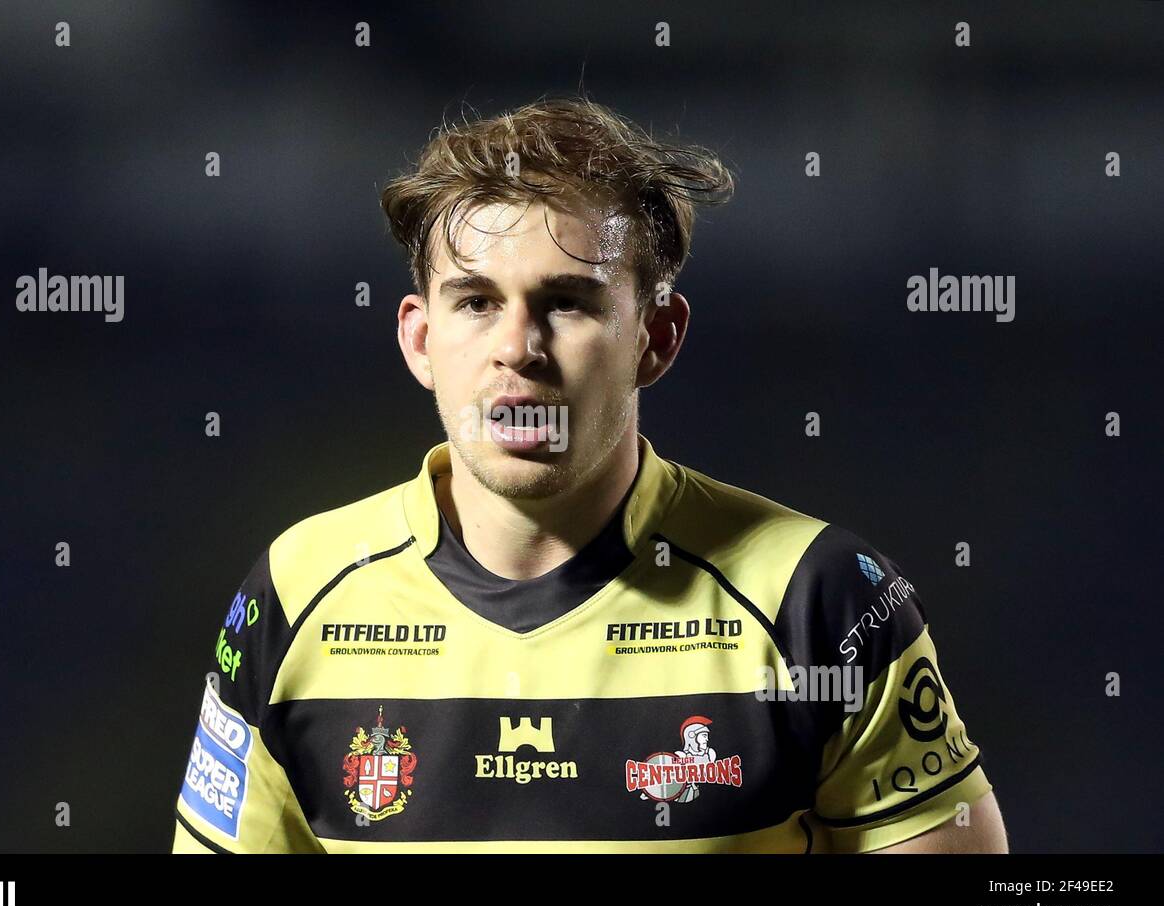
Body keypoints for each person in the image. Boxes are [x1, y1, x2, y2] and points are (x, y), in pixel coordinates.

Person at [171, 96, 1007, 853]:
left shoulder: (818, 599)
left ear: (657, 335)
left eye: (566, 302)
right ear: (420, 341)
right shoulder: (297, 592)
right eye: (475, 301)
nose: (517, 350)